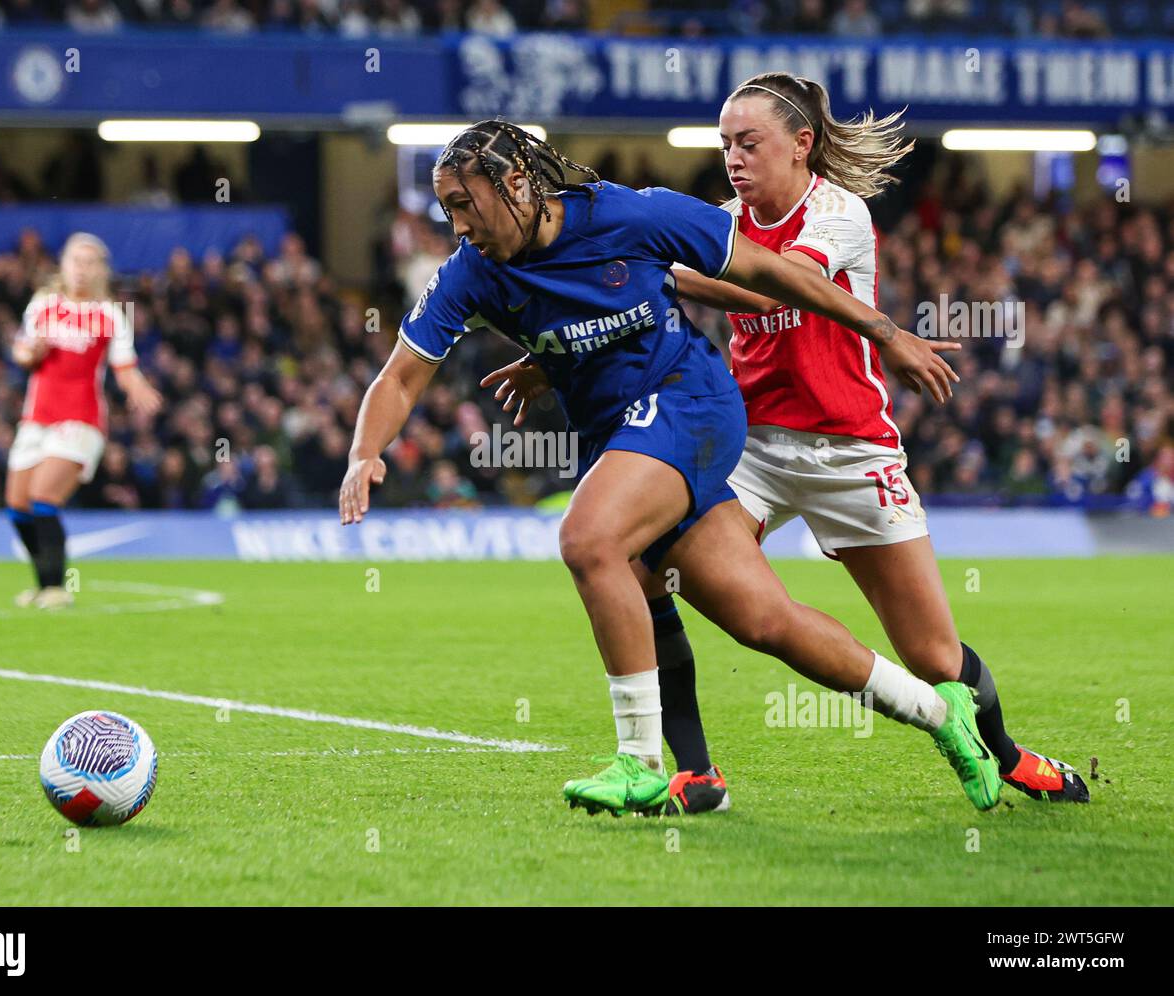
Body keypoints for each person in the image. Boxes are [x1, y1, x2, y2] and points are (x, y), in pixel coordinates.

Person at [341, 119, 1001, 816]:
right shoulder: (472, 271)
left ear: (515, 185)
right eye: (446, 209)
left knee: (590, 540)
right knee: (762, 620)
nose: (458, 224)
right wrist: (364, 452)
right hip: (622, 437)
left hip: (690, 405)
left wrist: (885, 330)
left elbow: (774, 276)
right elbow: (402, 378)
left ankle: (641, 761)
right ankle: (938, 710)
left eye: (465, 203)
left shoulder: (636, 213)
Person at [484, 75, 1090, 809]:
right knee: (645, 568)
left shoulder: (837, 214)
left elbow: (774, 291)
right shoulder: (721, 220)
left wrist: (661, 273)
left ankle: (1011, 755)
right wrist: (561, 351)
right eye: (725, 145)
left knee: (934, 656)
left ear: (802, 145)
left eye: (750, 143)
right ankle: (697, 774)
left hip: (851, 450)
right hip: (752, 447)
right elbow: (635, 302)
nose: (734, 159)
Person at [6, 232, 161, 609]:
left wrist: (137, 387)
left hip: (80, 420)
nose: (82, 269)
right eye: (76, 261)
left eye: (90, 262)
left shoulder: (110, 314)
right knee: (17, 506)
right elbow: (23, 352)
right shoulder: (43, 304)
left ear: (101, 270)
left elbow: (125, 367)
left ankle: (58, 587)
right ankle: (43, 585)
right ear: (64, 265)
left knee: (43, 497)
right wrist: (31, 352)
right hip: (36, 417)